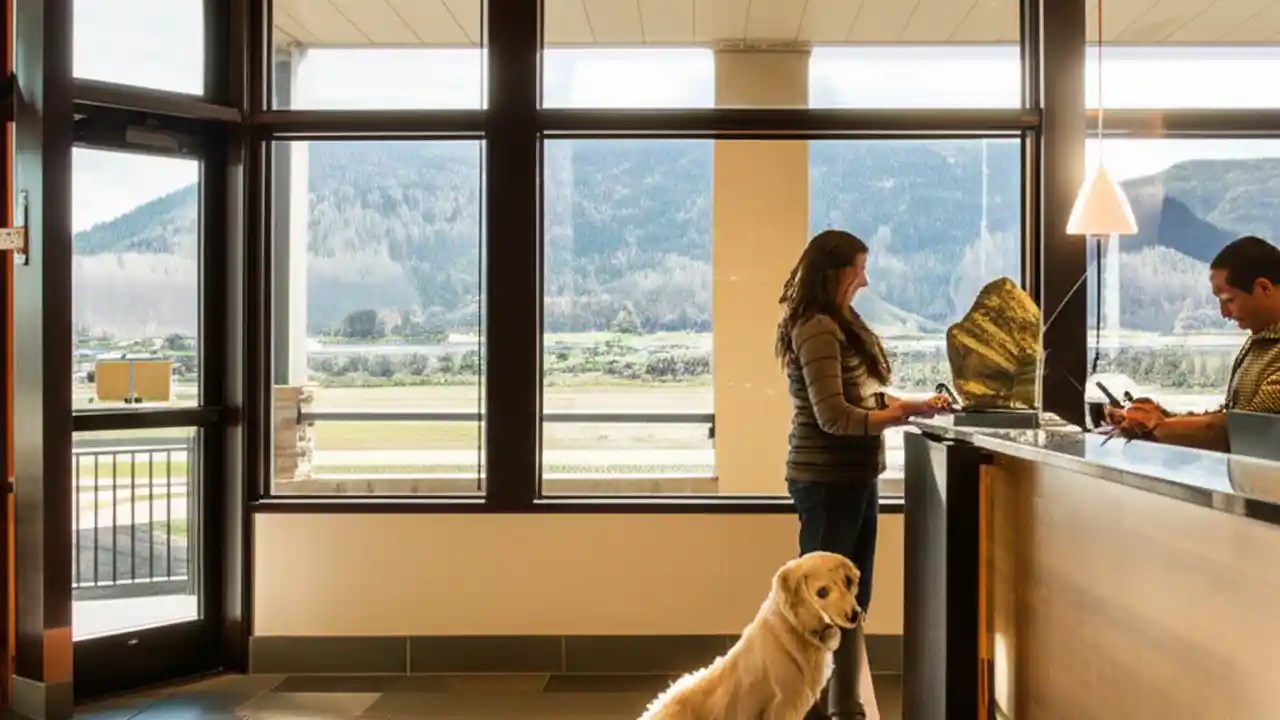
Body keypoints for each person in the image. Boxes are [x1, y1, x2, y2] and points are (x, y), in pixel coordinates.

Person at [776, 229, 950, 719]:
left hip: (853, 479)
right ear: (835, 271)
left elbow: (860, 399)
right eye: (859, 267)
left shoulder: (839, 323)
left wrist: (912, 406)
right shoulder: (815, 328)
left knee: (852, 604)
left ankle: (844, 707)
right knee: (823, 609)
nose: (866, 280)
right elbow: (834, 416)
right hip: (828, 482)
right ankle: (818, 709)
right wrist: (897, 417)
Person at [1108, 235, 1280, 450]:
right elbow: (1233, 416)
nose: (1224, 313)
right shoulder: (1260, 342)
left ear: (1264, 288)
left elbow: (1247, 429)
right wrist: (1164, 417)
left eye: (1229, 300)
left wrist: (1153, 427)